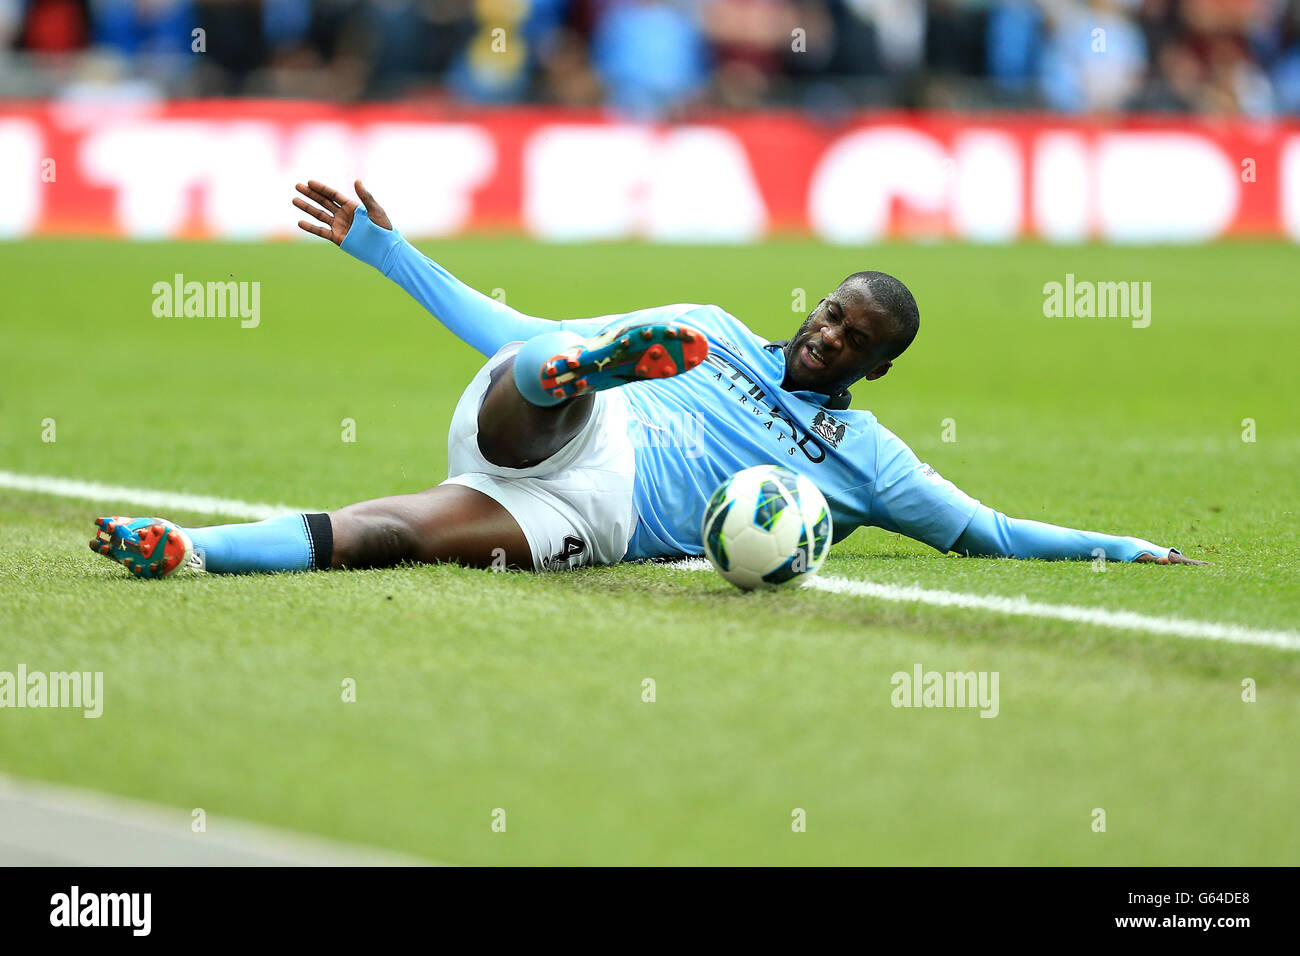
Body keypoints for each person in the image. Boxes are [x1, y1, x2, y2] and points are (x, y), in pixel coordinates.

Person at [89, 179, 1204, 578]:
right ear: (812, 306)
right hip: (586, 429)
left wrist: (1124, 547)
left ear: (879, 365)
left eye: (853, 339)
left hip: (595, 520)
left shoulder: (867, 461)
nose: (827, 337)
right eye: (828, 313)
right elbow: (502, 319)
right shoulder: (708, 328)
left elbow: (990, 533)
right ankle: (588, 369)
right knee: (541, 363)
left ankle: (187, 547)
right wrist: (387, 250)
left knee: (387, 533)